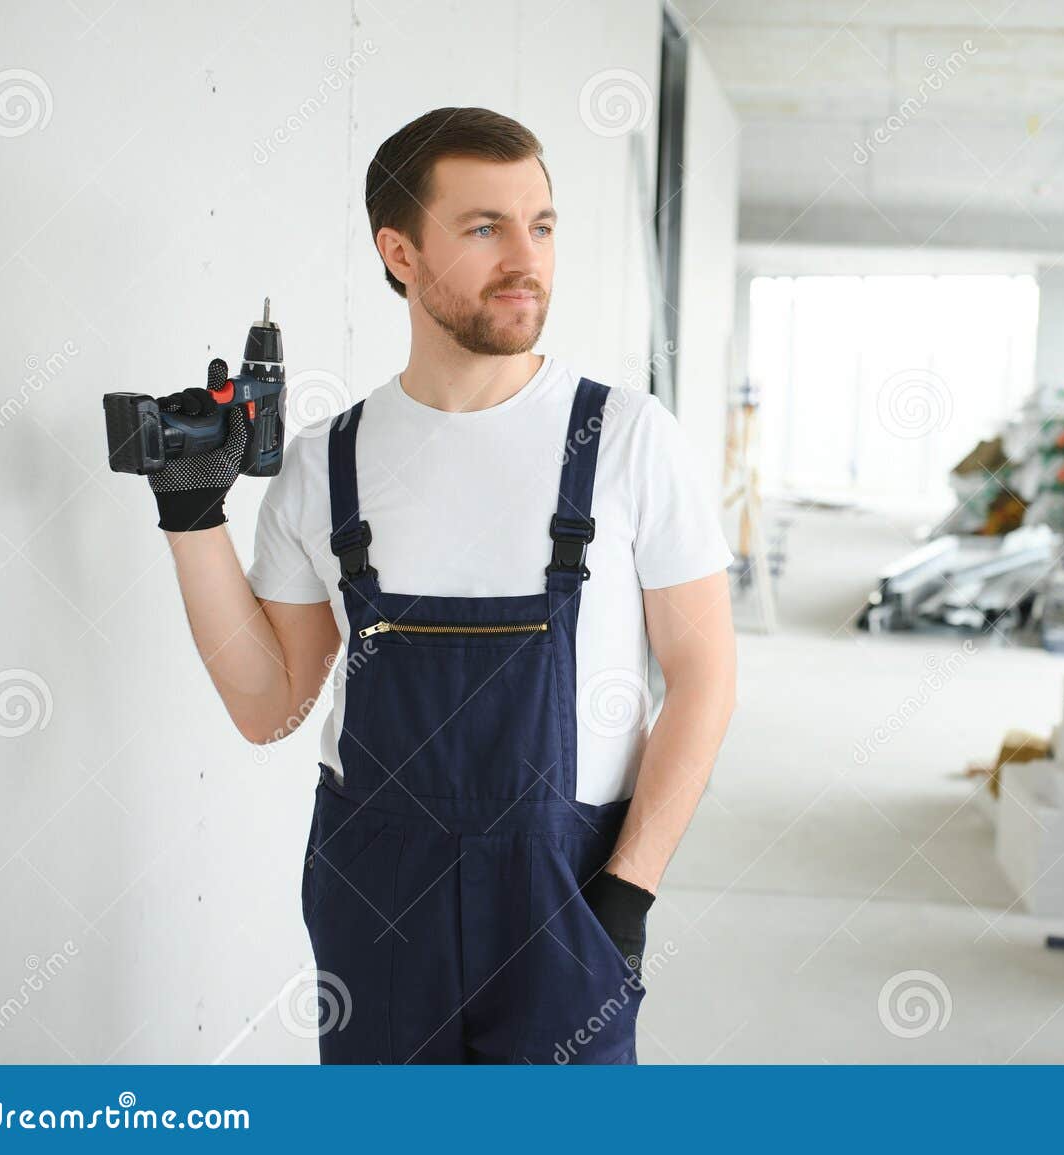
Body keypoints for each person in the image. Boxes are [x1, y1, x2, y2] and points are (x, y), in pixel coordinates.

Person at [145, 106, 737, 1064]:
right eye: (483, 227)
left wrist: (628, 889)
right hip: (376, 898)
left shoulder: (627, 439)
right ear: (401, 252)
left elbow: (704, 676)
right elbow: (268, 707)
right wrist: (190, 517)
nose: (526, 257)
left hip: (567, 890)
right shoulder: (325, 463)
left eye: (541, 225)